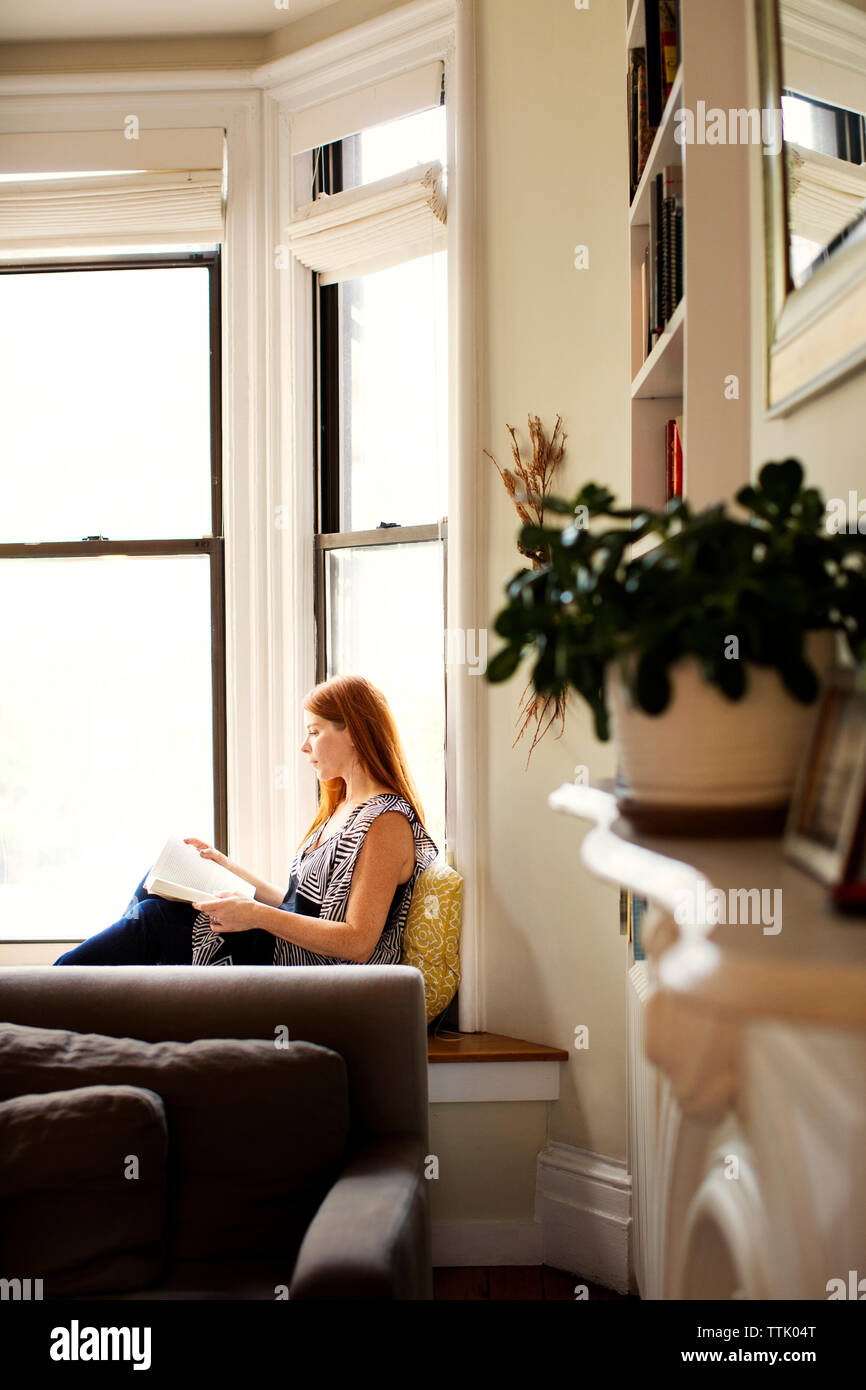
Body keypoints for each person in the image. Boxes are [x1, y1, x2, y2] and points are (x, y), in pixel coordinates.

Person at [54, 675, 439, 967]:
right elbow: (296, 905)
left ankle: (55, 987)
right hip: (285, 945)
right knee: (155, 882)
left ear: (353, 733)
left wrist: (253, 914)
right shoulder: (343, 807)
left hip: (308, 969)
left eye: (314, 732)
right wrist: (223, 865)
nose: (305, 746)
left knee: (157, 917)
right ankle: (83, 993)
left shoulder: (385, 820)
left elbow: (358, 941)